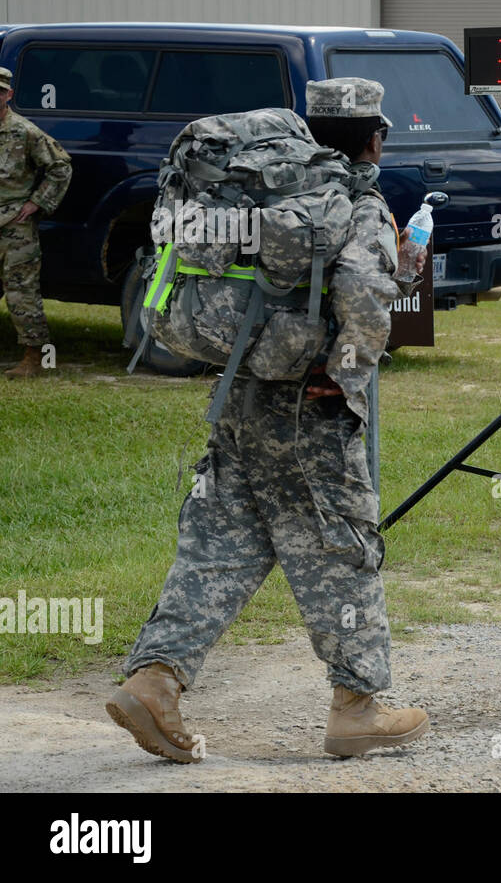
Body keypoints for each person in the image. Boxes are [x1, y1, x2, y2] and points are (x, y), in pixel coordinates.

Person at [106, 78, 430, 762]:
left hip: (242, 390)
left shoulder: (267, 190)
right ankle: (357, 707)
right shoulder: (356, 201)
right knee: (341, 542)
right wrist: (341, 380)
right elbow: (365, 298)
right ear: (374, 139)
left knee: (223, 536)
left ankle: (154, 679)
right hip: (307, 403)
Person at [0, 65, 72, 378]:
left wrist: (36, 203)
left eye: (0, 91)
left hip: (14, 225)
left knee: (22, 291)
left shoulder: (25, 132)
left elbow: (60, 167)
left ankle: (36, 358)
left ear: (9, 94)